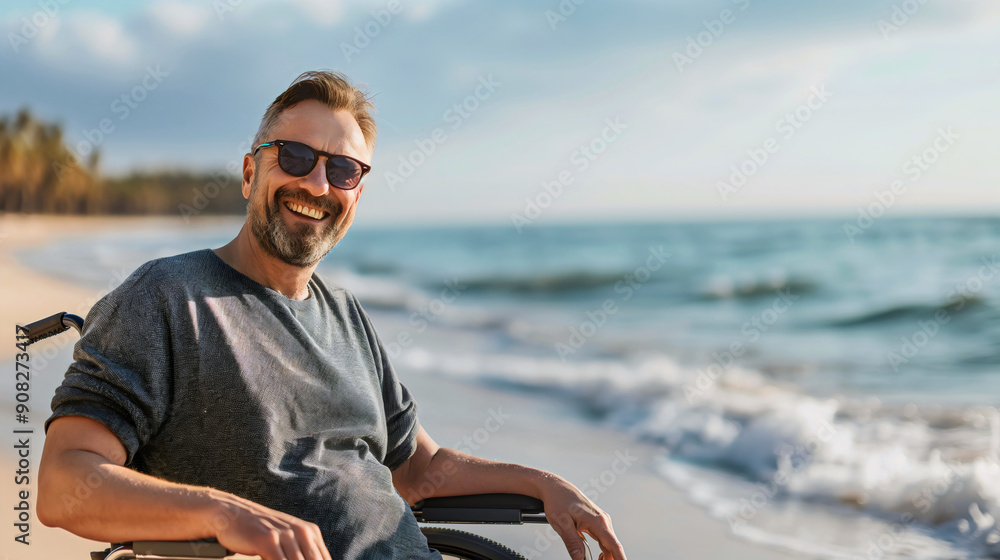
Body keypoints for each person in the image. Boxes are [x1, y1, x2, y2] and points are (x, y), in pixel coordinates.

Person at [37, 70, 627, 560]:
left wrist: (543, 483)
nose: (317, 183)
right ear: (250, 173)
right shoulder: (165, 297)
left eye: (343, 170)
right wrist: (223, 514)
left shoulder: (346, 315)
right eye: (295, 157)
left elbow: (421, 470)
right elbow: (64, 485)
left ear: (357, 196)